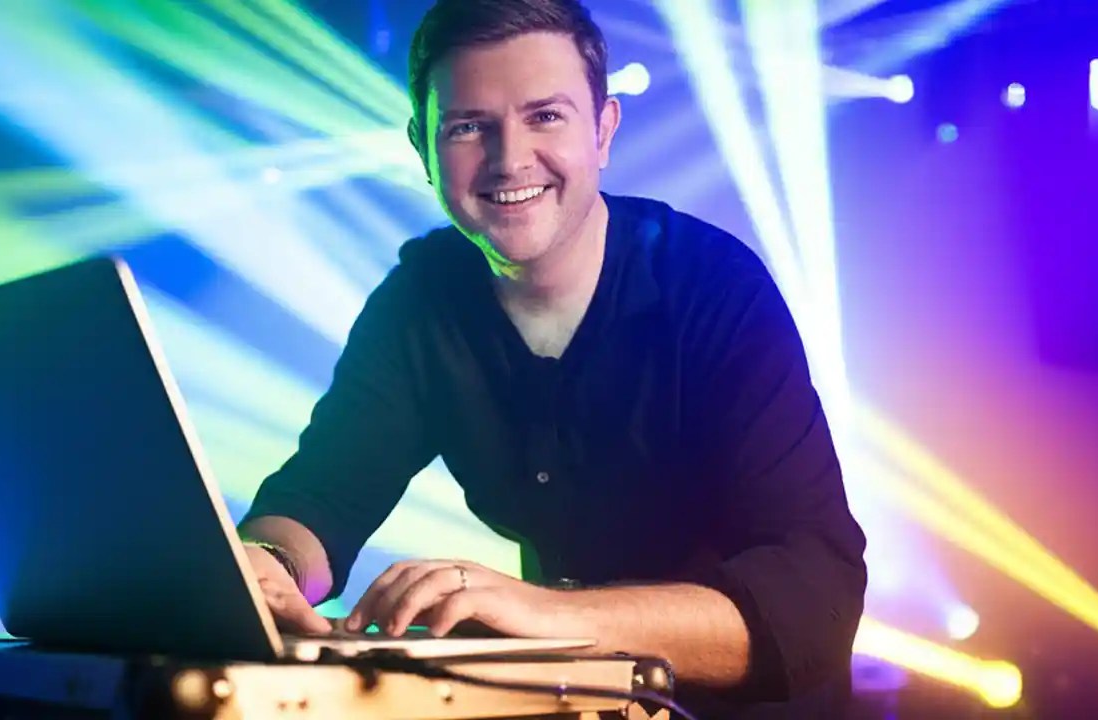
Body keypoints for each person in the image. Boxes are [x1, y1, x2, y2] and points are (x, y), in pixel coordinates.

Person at [237, 0, 867, 715]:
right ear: (422, 146)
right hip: (573, 704)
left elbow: (816, 600)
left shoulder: (714, 287)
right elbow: (320, 499)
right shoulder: (421, 298)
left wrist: (551, 615)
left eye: (546, 117)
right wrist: (267, 569)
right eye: (469, 126)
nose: (510, 160)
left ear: (604, 130)